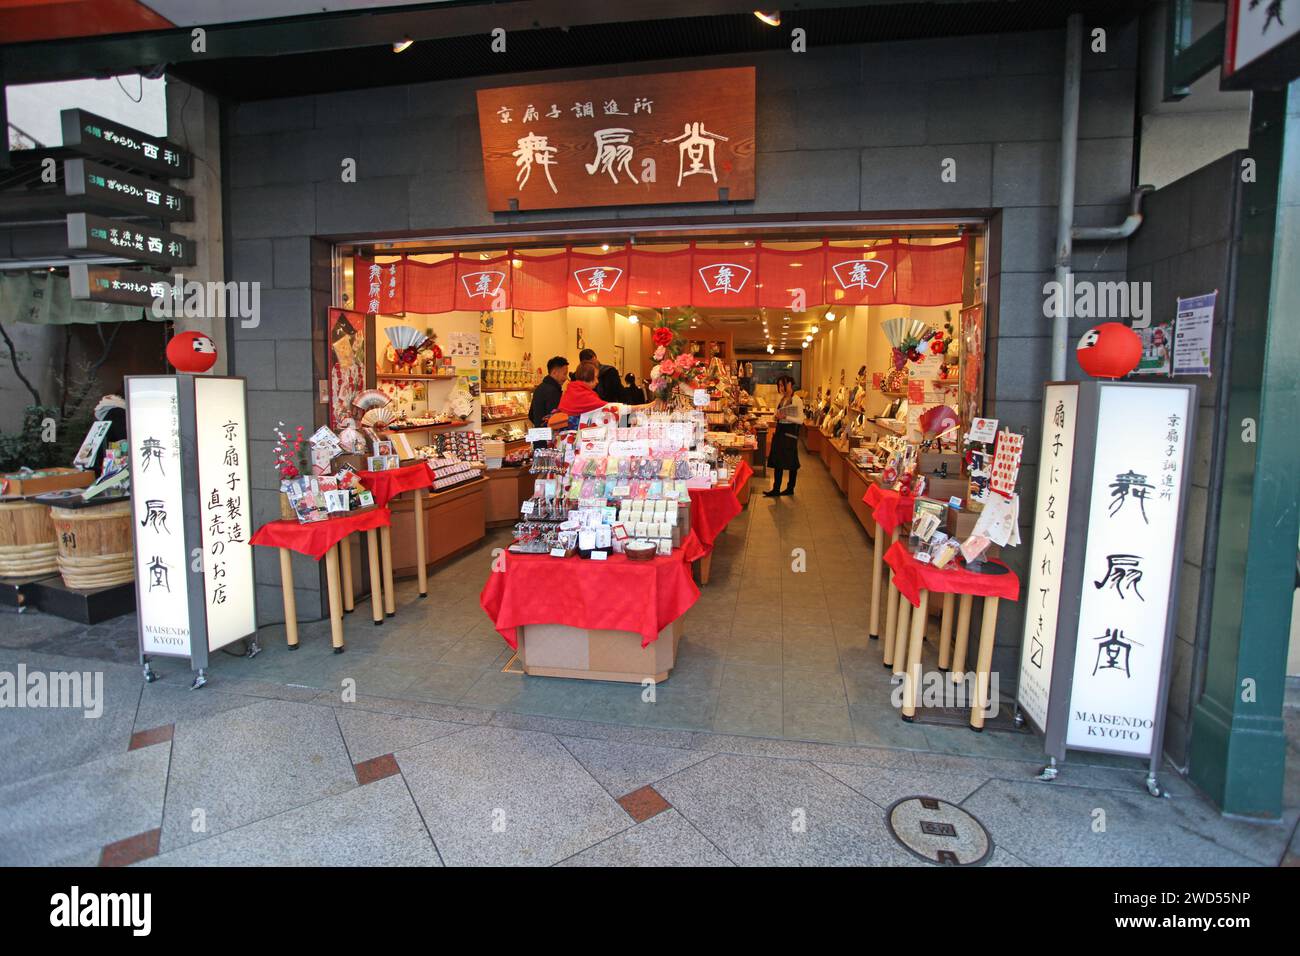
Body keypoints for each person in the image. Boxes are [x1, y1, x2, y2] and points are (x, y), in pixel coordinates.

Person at [764, 374, 804, 497]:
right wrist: (775, 416)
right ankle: (776, 488)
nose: (781, 388)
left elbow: (801, 420)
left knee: (791, 461)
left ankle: (790, 487)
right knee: (777, 460)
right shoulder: (781, 399)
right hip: (780, 430)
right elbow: (775, 415)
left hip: (790, 433)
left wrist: (786, 416)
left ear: (790, 384)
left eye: (783, 385)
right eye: (779, 385)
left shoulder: (796, 399)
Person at [547, 361, 607, 431]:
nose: (597, 381)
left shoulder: (571, 389)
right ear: (588, 377)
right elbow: (605, 407)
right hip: (576, 437)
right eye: (595, 377)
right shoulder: (584, 394)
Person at [529, 355, 569, 428]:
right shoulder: (553, 391)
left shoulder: (539, 388)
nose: (566, 378)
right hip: (550, 437)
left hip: (539, 435)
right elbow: (557, 420)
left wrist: (539, 427)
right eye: (564, 374)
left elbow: (531, 415)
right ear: (554, 373)